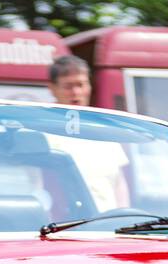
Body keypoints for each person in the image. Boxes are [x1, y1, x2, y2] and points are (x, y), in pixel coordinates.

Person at [46, 55, 128, 212]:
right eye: (68, 86)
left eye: (81, 84)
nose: (76, 92)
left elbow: (119, 185)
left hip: (109, 229)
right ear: (52, 88)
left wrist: (125, 220)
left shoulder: (104, 132)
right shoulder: (43, 132)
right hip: (61, 230)